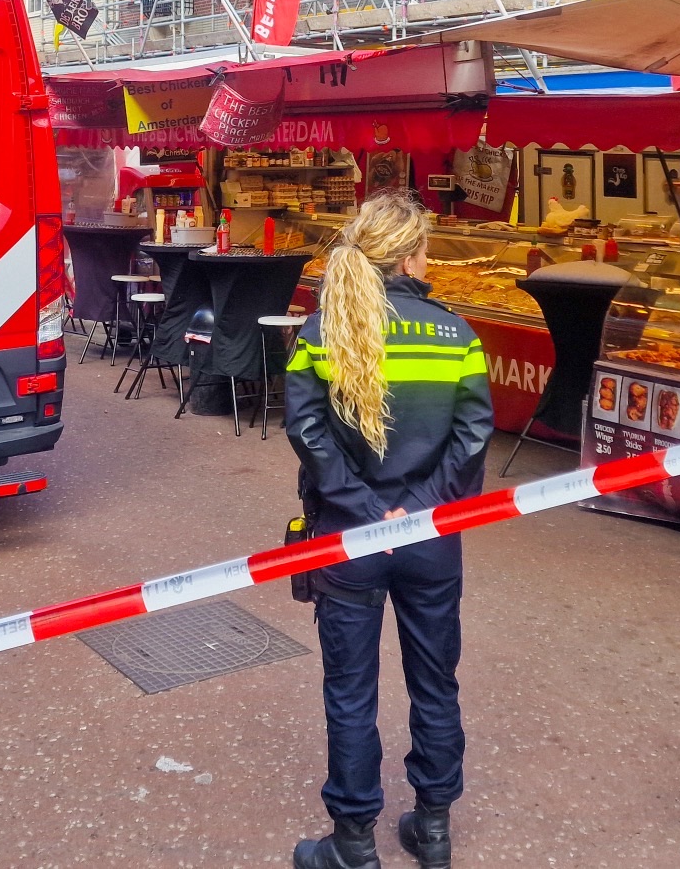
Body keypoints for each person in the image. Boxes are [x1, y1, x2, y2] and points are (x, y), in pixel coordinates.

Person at [285, 192, 494, 869]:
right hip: (432, 538)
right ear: (409, 254)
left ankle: (352, 846)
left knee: (350, 689)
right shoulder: (457, 334)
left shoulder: (320, 333)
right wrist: (421, 506)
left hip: (347, 539)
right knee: (437, 680)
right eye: (426, 247)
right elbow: (473, 436)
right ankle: (432, 830)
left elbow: (307, 431)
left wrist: (366, 511)